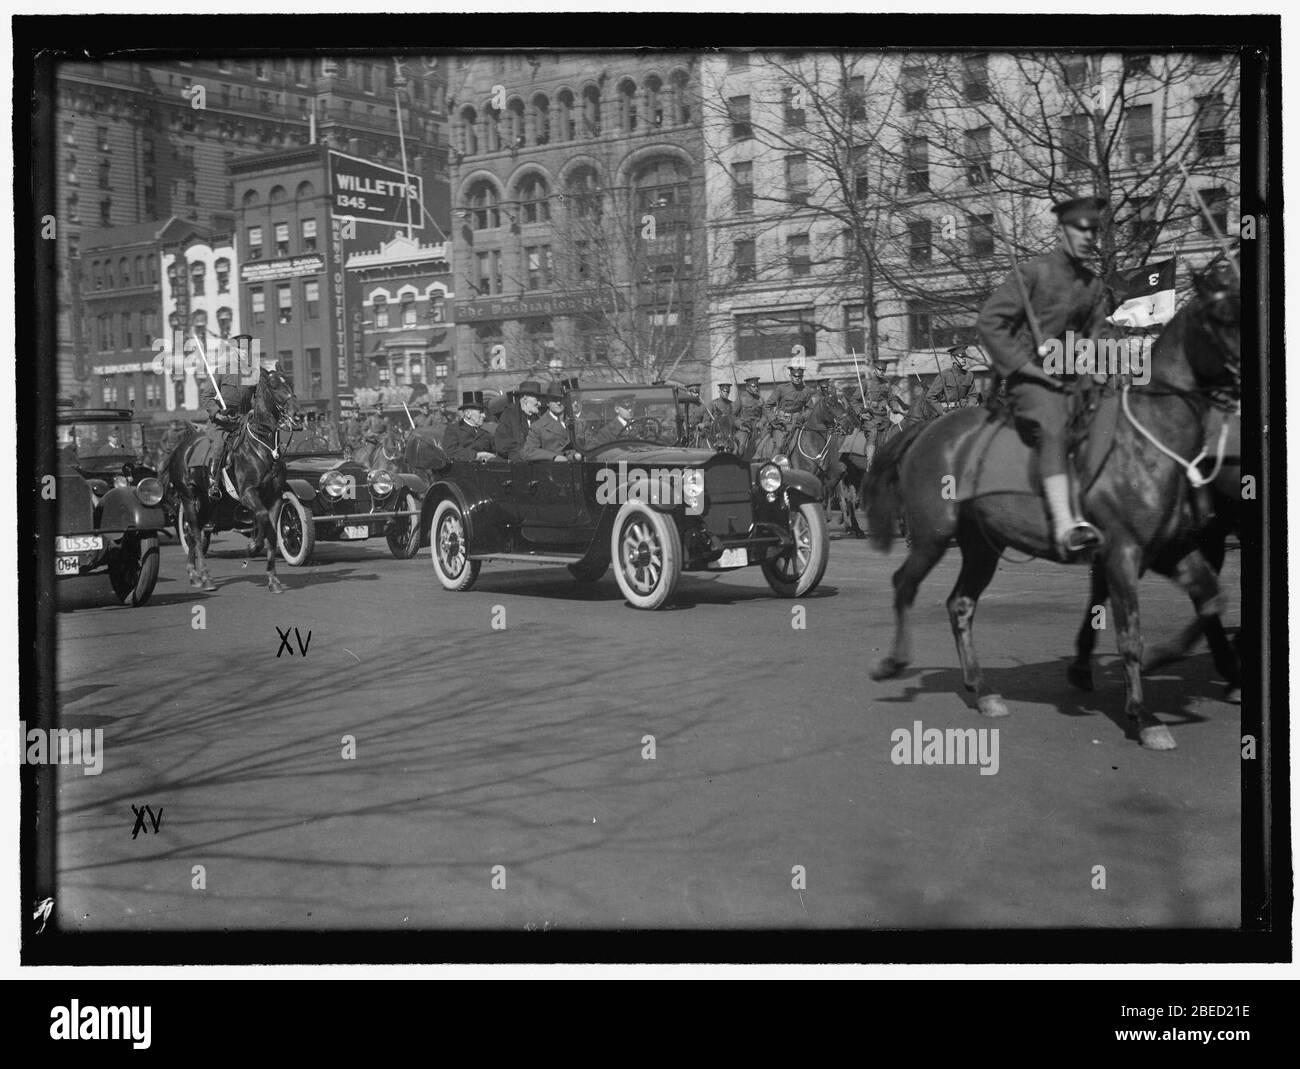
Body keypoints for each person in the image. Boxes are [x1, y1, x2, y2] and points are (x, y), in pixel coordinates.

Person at [977, 194, 1110, 560]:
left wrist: (1095, 368)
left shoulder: (1094, 286)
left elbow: (1096, 338)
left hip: (1076, 380)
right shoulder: (1031, 274)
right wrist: (1025, 365)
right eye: (1080, 229)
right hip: (1032, 383)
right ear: (1062, 231)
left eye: (1093, 231)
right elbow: (990, 323)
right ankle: (1068, 525)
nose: (1088, 237)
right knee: (1054, 425)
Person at [199, 364, 256, 498]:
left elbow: (258, 397)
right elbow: (207, 396)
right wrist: (217, 413)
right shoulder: (221, 371)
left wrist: (254, 409)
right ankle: (214, 483)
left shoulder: (253, 372)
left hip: (243, 421)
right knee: (218, 446)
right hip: (222, 423)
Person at [762, 358, 814, 455]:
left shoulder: (806, 390)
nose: (798, 378)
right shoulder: (781, 388)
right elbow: (767, 406)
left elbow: (810, 408)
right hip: (781, 424)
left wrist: (803, 417)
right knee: (780, 446)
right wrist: (773, 420)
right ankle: (774, 466)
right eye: (795, 376)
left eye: (800, 376)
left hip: (798, 424)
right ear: (790, 376)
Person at [521, 382, 582, 461]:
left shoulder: (577, 423)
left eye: (561, 399)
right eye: (554, 399)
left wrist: (579, 454)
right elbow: (529, 451)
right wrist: (554, 457)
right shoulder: (538, 426)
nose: (558, 402)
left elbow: (590, 443)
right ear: (547, 402)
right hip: (551, 469)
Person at [494, 379, 543, 460]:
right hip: (516, 464)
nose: (540, 403)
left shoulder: (538, 418)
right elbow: (502, 444)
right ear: (525, 400)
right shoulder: (509, 414)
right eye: (537, 399)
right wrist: (524, 454)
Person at [926, 346, 981, 410]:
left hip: (963, 411)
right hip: (947, 412)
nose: (964, 359)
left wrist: (970, 406)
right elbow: (930, 396)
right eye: (961, 357)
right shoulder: (944, 375)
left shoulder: (969, 375)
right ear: (953, 358)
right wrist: (942, 411)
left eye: (965, 357)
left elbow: (972, 395)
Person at [734, 376, 765, 455]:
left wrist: (761, 422)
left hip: (758, 427)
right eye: (754, 386)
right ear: (748, 387)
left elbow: (765, 414)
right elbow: (733, 415)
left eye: (757, 386)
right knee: (742, 445)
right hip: (745, 427)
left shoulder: (760, 399)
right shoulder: (741, 398)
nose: (756, 388)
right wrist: (740, 425)